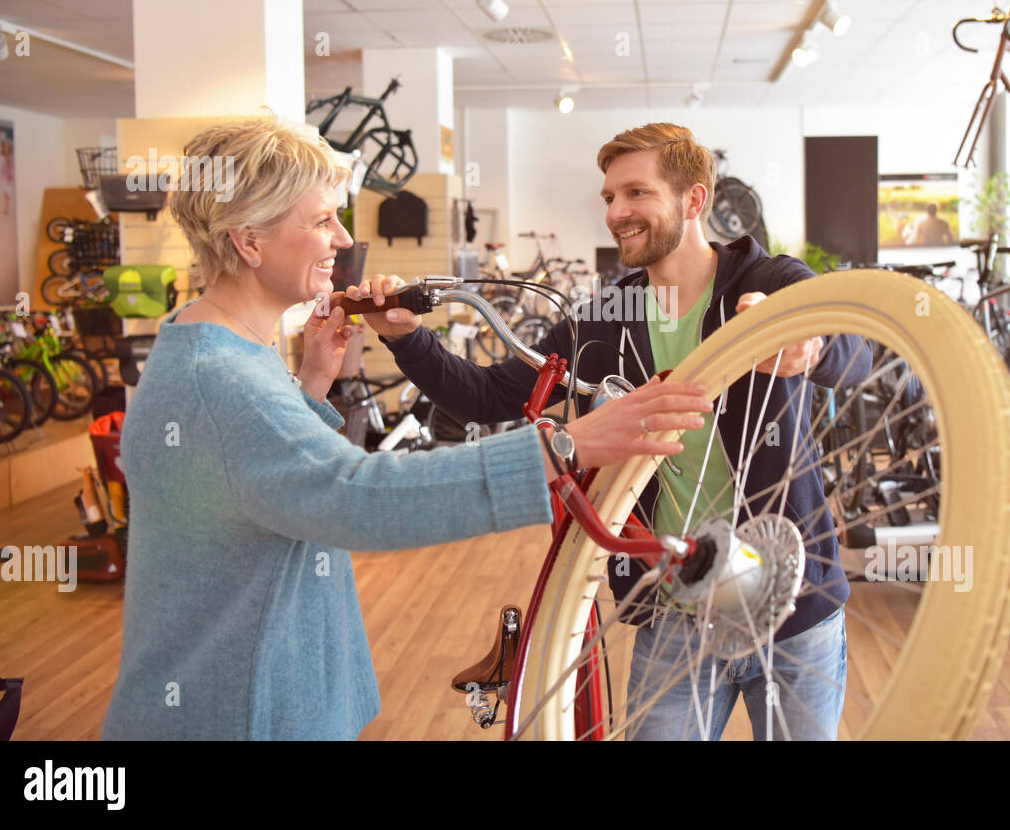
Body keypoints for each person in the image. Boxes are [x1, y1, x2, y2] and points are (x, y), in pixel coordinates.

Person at [100, 117, 712, 740]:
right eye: (321, 220)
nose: (341, 238)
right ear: (249, 243)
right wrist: (567, 447)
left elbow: (266, 484)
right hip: (237, 715)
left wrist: (310, 386)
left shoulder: (205, 345)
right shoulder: (223, 376)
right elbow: (350, 495)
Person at [350, 122, 872, 740]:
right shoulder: (603, 318)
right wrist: (404, 337)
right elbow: (487, 395)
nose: (617, 213)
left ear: (695, 200)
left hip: (790, 606)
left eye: (636, 194)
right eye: (608, 198)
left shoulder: (770, 283)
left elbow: (854, 348)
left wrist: (808, 348)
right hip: (674, 609)